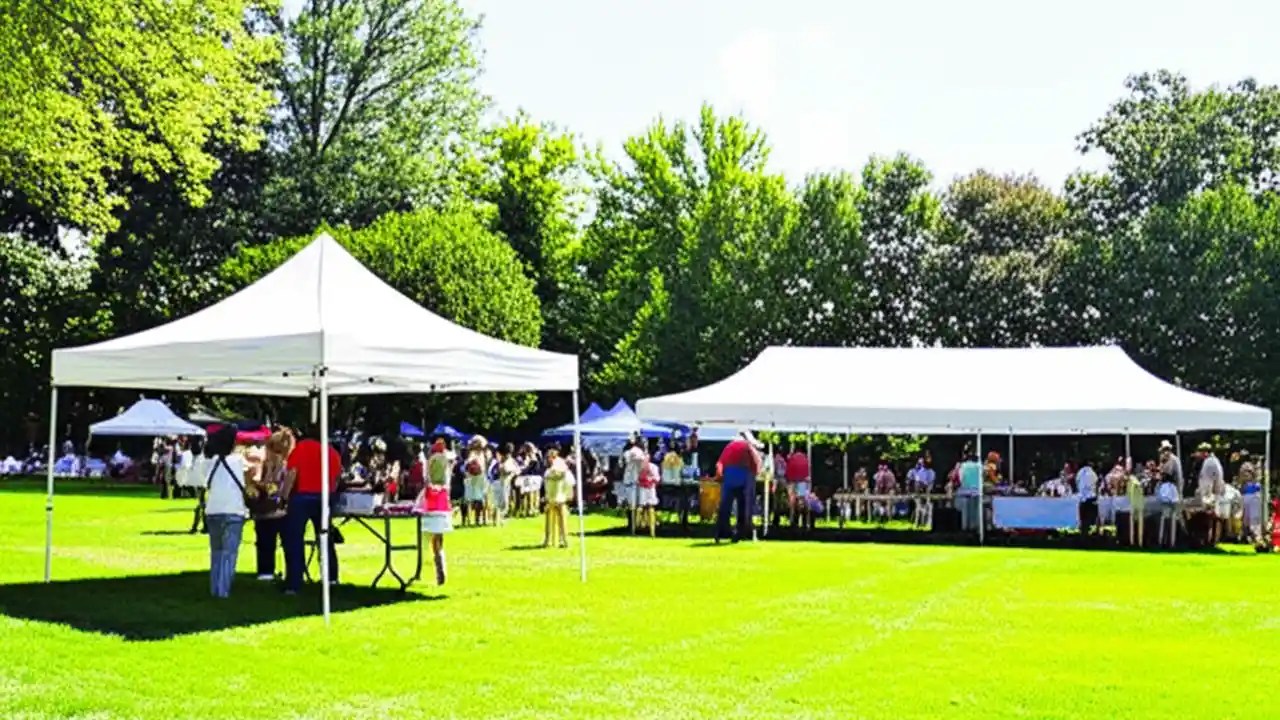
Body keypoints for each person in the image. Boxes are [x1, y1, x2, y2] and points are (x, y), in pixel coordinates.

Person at [281, 425, 342, 594]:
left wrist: (284, 496)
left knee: (294, 540)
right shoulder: (331, 452)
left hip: (301, 496)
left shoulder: (299, 450)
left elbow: (292, 474)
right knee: (325, 537)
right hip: (324, 497)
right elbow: (337, 478)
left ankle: (294, 582)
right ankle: (331, 577)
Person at [203, 425, 248, 599]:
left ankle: (215, 588)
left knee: (216, 553)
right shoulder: (238, 460)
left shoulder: (210, 462)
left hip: (213, 510)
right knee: (229, 553)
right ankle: (223, 591)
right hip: (233, 511)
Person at [249, 428, 294, 580]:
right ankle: (273, 571)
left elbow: (274, 484)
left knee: (267, 542)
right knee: (277, 543)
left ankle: (266, 571)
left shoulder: (281, 466)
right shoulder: (275, 465)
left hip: (273, 509)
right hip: (275, 510)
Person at [417, 440, 454, 584]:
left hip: (430, 508)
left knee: (427, 542)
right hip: (442, 507)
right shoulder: (446, 481)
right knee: (439, 541)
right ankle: (440, 567)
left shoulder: (429, 467)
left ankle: (429, 570)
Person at [716, 430, 762, 544]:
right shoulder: (748, 446)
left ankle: (721, 532)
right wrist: (755, 474)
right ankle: (741, 533)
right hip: (743, 477)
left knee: (725, 507)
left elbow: (720, 463)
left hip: (729, 477)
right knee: (744, 507)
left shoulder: (729, 446)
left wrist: (719, 476)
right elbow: (756, 463)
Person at [542, 448, 572, 547]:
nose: (547, 459)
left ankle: (563, 540)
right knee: (548, 518)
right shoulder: (548, 470)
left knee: (562, 519)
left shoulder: (561, 467)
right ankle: (548, 540)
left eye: (549, 457)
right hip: (551, 496)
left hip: (559, 497)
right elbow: (547, 482)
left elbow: (566, 480)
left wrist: (567, 495)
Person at [1196, 442, 1225, 545]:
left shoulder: (1209, 463)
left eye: (1199, 452)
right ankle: (1212, 540)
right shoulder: (1214, 461)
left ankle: (1209, 540)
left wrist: (1206, 497)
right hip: (1216, 494)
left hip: (1211, 495)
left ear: (1204, 452)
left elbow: (1208, 482)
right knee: (1214, 519)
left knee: (1209, 518)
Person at [462, 436, 490, 527]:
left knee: (477, 499)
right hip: (478, 478)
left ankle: (478, 519)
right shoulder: (484, 454)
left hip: (477, 478)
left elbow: (466, 467)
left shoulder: (476, 454)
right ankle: (479, 519)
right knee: (478, 499)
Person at [492, 443, 517, 526]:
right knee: (501, 502)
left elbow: (516, 470)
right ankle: (498, 520)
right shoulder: (502, 460)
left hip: (505, 482)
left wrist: (512, 473)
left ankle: (499, 519)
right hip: (501, 482)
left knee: (503, 502)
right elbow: (502, 470)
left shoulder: (510, 460)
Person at [956, 451, 981, 531]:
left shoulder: (963, 466)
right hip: (976, 491)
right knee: (975, 510)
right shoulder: (979, 466)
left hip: (965, 490)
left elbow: (960, 478)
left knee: (965, 511)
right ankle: (975, 526)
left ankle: (965, 527)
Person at [637, 454, 661, 536]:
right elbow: (636, 479)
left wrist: (651, 479)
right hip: (642, 489)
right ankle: (639, 525)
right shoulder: (638, 468)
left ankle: (652, 530)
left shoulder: (654, 467)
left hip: (651, 489)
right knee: (640, 508)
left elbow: (657, 478)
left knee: (651, 507)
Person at [1076, 459, 1099, 532]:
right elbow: (1096, 484)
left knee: (1083, 519)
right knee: (1089, 519)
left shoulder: (1080, 472)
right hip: (1091, 498)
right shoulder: (1093, 473)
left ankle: (1083, 532)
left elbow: (1077, 482)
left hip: (1082, 499)